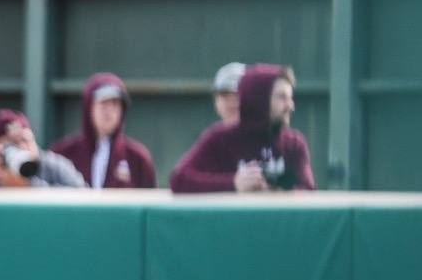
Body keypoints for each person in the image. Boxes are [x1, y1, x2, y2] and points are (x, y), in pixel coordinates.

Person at [170, 64, 314, 194]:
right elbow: (179, 180)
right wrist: (233, 183)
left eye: (290, 98)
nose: (291, 106)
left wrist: (280, 191)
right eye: (282, 97)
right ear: (261, 99)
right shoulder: (220, 139)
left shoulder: (294, 143)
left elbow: (308, 190)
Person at [49, 74, 156, 190]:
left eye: (115, 104)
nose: (109, 111)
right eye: (104, 103)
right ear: (89, 107)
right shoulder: (62, 154)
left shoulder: (137, 158)